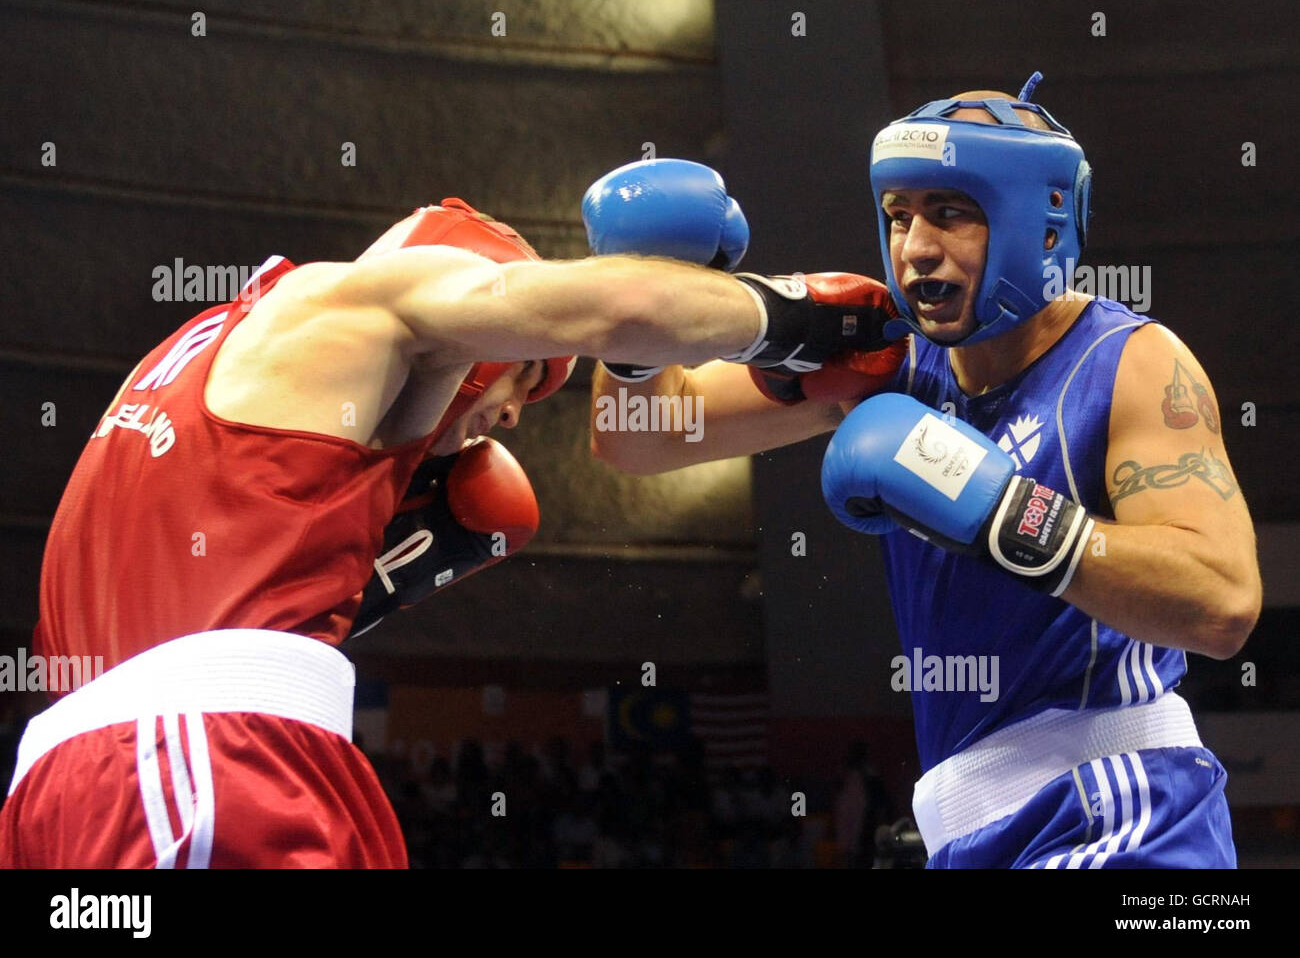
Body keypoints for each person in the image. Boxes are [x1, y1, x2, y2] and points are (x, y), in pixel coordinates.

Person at [0, 195, 898, 869]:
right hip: (195, 758)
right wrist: (802, 321)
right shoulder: (359, 300)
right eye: (521, 382)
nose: (512, 414)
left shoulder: (203, 349)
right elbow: (609, 306)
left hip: (62, 785)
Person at [588, 75, 1261, 868]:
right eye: (899, 216)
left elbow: (1222, 602)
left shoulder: (1129, 363)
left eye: (950, 212)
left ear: (1041, 227)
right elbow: (641, 439)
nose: (913, 248)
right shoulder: (886, 362)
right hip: (970, 827)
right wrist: (640, 300)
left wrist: (1002, 512)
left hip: (1117, 809)